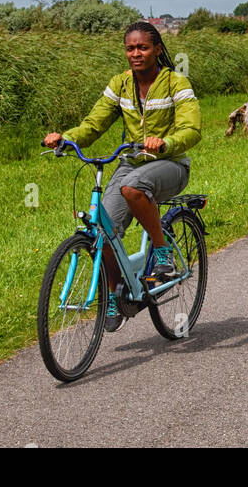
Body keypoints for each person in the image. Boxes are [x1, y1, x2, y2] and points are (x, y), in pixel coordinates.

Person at [43, 21, 201, 332]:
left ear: (157, 49)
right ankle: (115, 294)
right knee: (103, 228)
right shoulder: (120, 84)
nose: (136, 53)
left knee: (133, 187)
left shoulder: (175, 83)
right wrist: (66, 138)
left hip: (170, 162)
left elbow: (192, 128)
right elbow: (93, 124)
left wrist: (166, 142)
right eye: (130, 48)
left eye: (143, 47)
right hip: (131, 162)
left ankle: (163, 252)